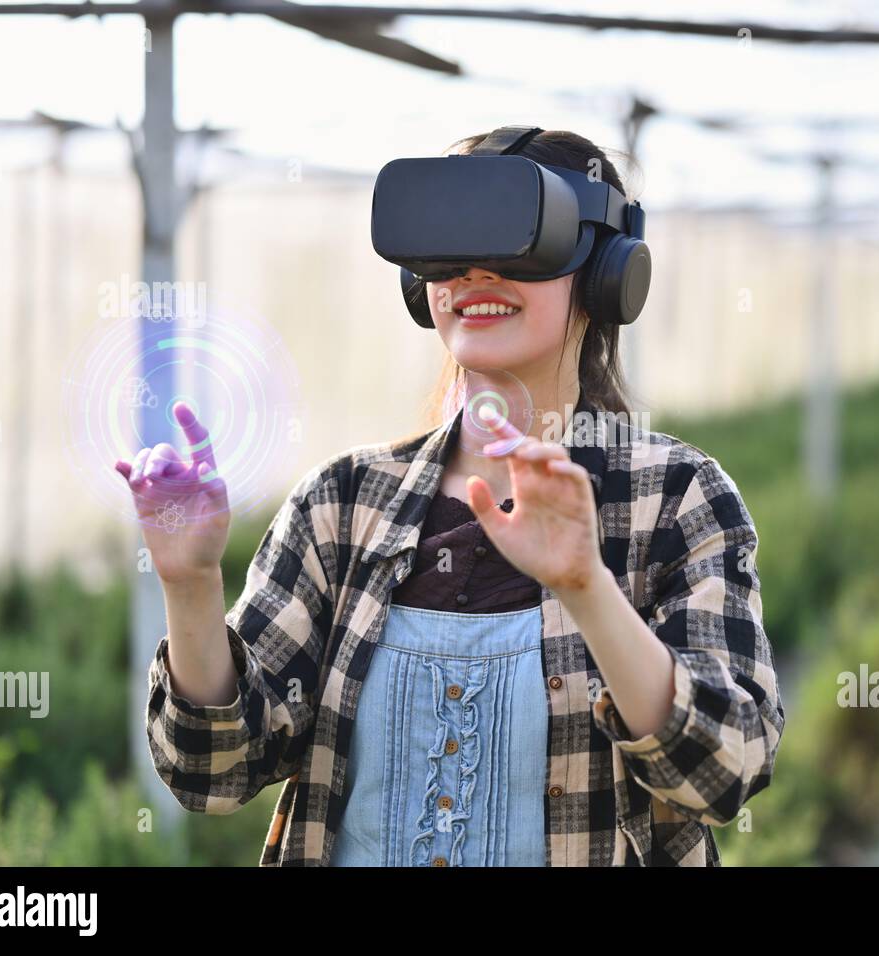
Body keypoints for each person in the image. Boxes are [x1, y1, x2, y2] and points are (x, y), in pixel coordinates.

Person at [114, 127, 784, 866]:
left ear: (604, 275)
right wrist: (191, 585)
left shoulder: (678, 501)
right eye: (448, 250)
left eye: (520, 244)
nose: (475, 274)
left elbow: (727, 768)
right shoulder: (343, 504)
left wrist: (587, 587)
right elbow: (212, 771)